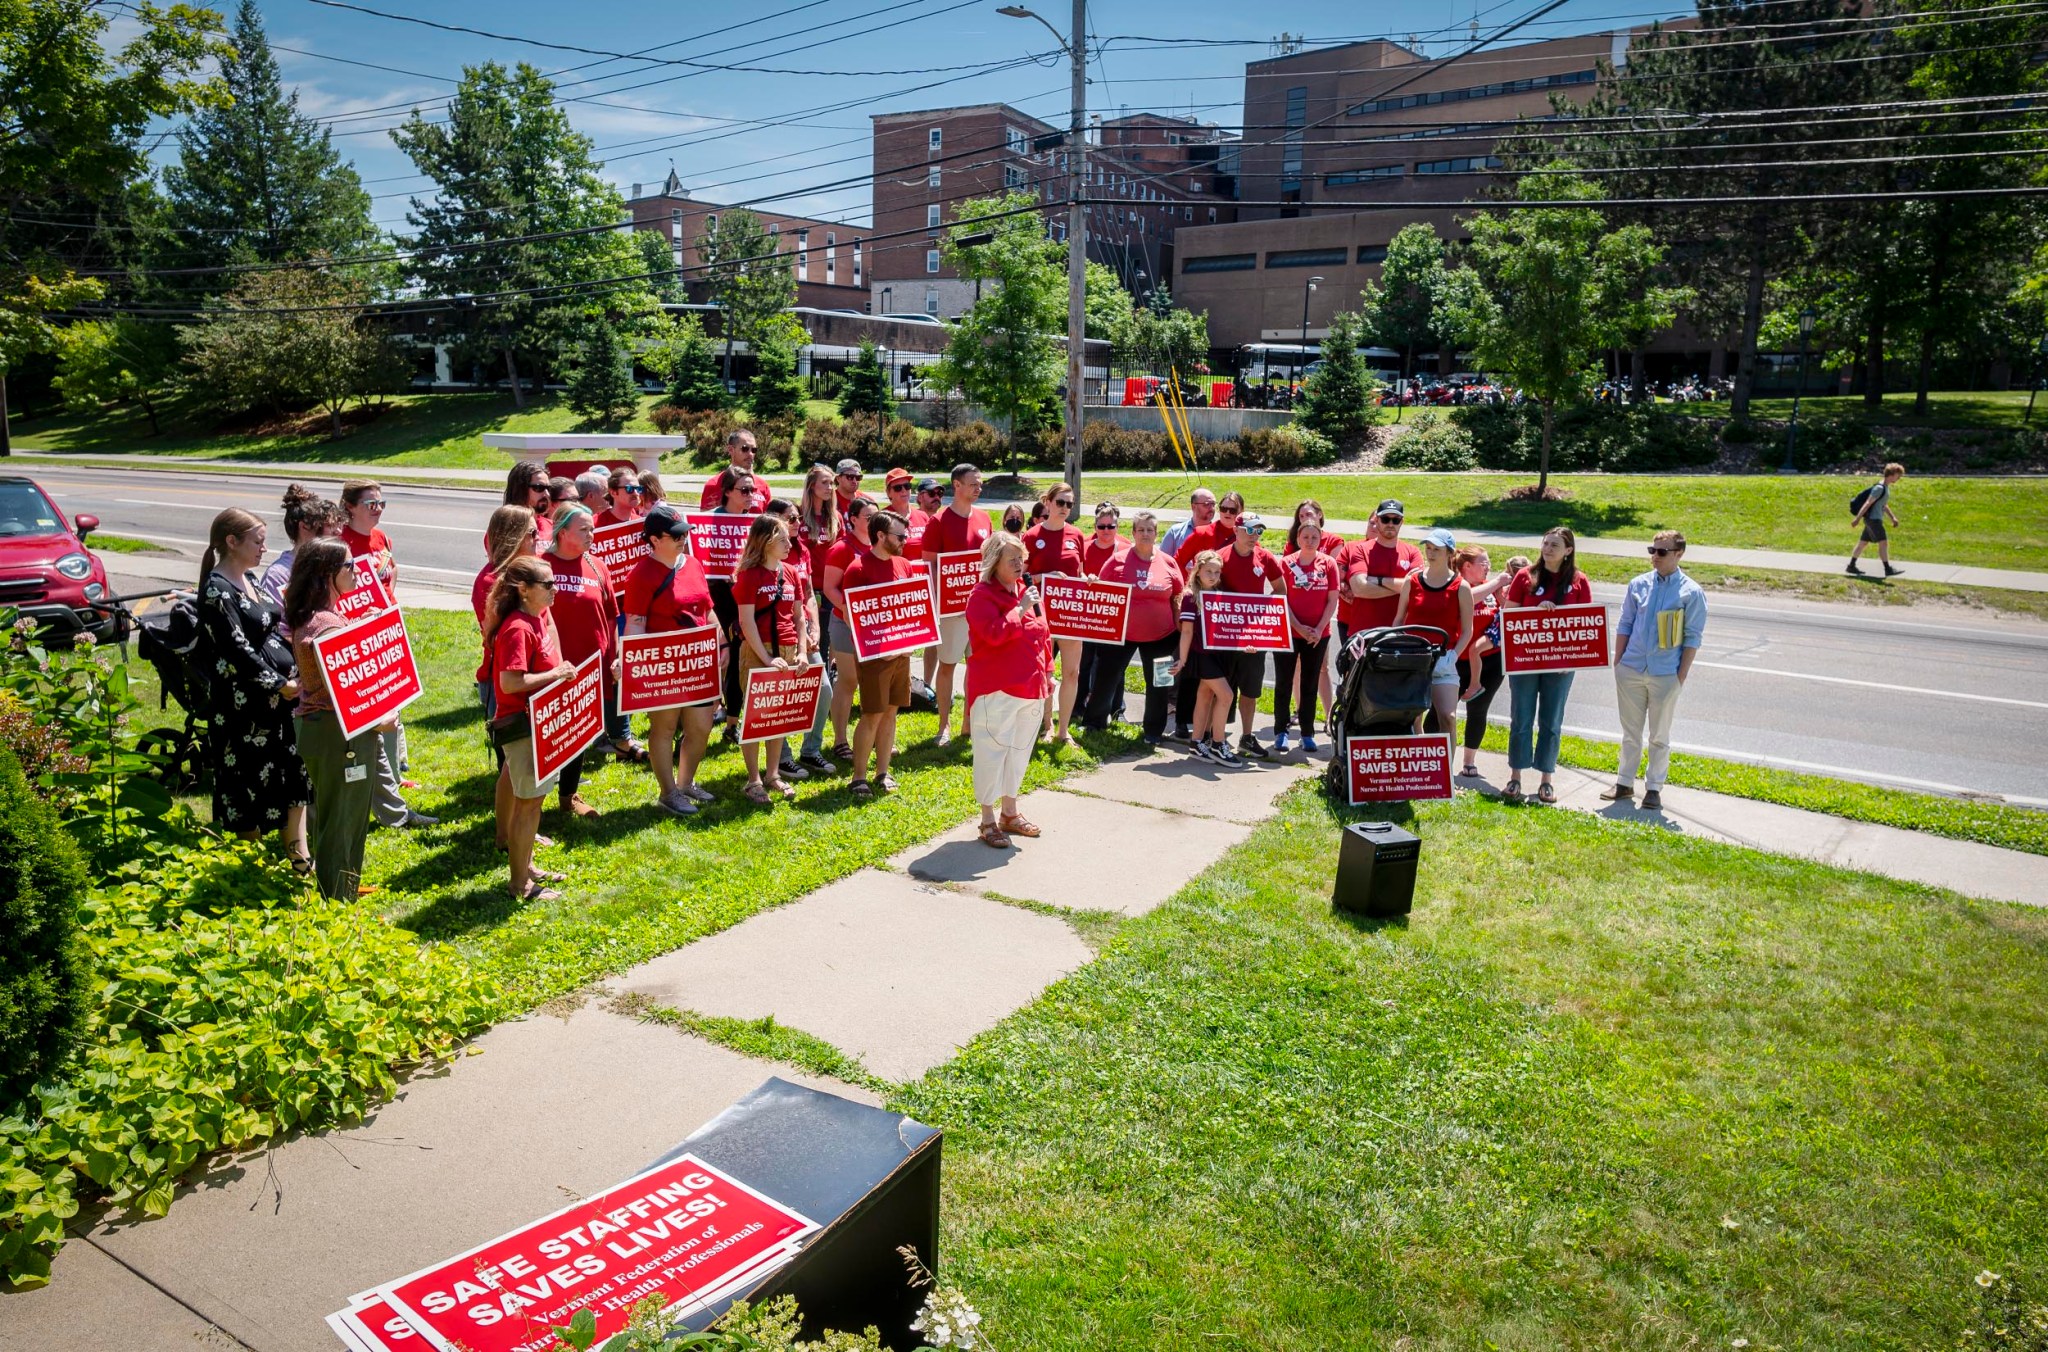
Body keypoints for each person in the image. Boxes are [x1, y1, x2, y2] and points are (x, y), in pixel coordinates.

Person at [197, 508, 312, 868]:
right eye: (257, 541)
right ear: (231, 542)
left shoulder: (251, 579)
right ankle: (249, 870)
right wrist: (279, 683)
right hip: (243, 709)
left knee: (293, 778)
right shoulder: (217, 591)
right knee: (248, 786)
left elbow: (271, 629)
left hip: (276, 705)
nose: (264, 548)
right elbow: (236, 650)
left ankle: (300, 862)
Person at [285, 540, 382, 899]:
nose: (357, 571)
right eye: (350, 566)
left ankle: (345, 883)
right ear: (328, 575)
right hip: (335, 731)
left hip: (327, 730)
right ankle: (337, 897)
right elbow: (341, 680)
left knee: (345, 814)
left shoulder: (321, 616)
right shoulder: (324, 624)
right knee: (341, 818)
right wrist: (377, 719)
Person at [339, 480, 434, 829]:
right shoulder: (340, 543)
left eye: (381, 502)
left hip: (387, 628)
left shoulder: (382, 538)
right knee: (376, 716)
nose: (377, 508)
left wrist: (387, 595)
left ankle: (393, 784)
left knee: (394, 708)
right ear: (349, 506)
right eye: (370, 503)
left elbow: (391, 573)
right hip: (359, 637)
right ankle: (376, 794)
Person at [485, 556, 575, 901]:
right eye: (547, 584)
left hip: (541, 724)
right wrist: (555, 674)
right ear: (524, 590)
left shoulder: (535, 619)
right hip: (525, 728)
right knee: (528, 804)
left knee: (533, 802)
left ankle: (527, 866)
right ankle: (519, 884)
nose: (555, 589)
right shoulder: (518, 628)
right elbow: (509, 682)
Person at [622, 504, 719, 817]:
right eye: (675, 535)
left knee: (701, 726)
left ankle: (686, 782)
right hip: (664, 665)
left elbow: (707, 608)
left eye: (684, 533)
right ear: (654, 539)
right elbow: (635, 622)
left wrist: (722, 642)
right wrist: (630, 661)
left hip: (699, 663)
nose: (682, 540)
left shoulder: (692, 563)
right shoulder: (641, 575)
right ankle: (668, 792)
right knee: (663, 728)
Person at [1604, 529, 1708, 812]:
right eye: (1652, 551)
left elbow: (1692, 637)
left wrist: (1680, 676)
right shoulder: (1638, 584)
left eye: (1662, 552)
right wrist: (1619, 661)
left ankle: (1653, 788)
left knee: (1659, 735)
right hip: (1631, 668)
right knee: (1630, 732)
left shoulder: (1691, 592)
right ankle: (1624, 783)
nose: (1655, 557)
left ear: (1679, 554)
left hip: (1665, 674)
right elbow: (1625, 623)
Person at [966, 532, 1052, 848]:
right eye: (1011, 559)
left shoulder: (1025, 591)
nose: (1019, 564)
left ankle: (1010, 814)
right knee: (992, 753)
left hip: (1031, 686)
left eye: (1021, 558)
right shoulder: (981, 597)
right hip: (996, 690)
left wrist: (1049, 671)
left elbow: (1044, 633)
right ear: (994, 563)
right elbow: (993, 635)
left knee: (1017, 753)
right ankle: (988, 818)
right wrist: (1019, 608)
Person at [1502, 527, 1592, 805]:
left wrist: (1573, 659)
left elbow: (1585, 622)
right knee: (1521, 718)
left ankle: (1546, 780)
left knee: (1551, 721)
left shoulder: (1578, 581)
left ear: (1568, 551)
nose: (1548, 548)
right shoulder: (1525, 576)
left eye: (1555, 545)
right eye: (1545, 543)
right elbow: (1508, 614)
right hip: (1526, 660)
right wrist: (1535, 611)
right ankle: (1515, 776)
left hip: (1561, 665)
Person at [541, 504, 619, 820]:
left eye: (592, 528)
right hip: (552, 669)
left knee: (580, 734)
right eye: (584, 529)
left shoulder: (598, 567)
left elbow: (612, 617)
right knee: (548, 736)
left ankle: (568, 795)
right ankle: (527, 800)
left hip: (592, 668)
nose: (592, 534)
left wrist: (614, 657)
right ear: (562, 533)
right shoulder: (542, 567)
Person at [732, 514, 809, 804]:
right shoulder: (749, 574)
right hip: (757, 649)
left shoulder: (790, 572)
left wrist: (801, 651)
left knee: (779, 717)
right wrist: (765, 658)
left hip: (788, 648)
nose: (789, 543)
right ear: (765, 542)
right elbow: (746, 621)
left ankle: (773, 773)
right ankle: (753, 780)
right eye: (782, 539)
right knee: (756, 716)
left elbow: (799, 617)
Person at [1086, 511, 1183, 740]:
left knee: (1160, 682)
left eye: (1150, 530)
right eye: (1141, 530)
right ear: (1133, 533)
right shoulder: (1117, 560)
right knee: (1106, 677)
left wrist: (1183, 627)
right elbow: (1102, 590)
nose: (1146, 534)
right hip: (1122, 634)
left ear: (1156, 533)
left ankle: (1153, 731)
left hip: (1162, 636)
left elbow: (1179, 595)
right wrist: (1092, 582)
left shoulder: (1168, 562)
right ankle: (1094, 723)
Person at [843, 510, 919, 796]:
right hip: (875, 655)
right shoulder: (858, 569)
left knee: (891, 713)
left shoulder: (904, 565)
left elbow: (913, 608)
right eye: (899, 536)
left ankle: (882, 772)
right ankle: (858, 777)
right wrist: (879, 649)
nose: (905, 540)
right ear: (880, 536)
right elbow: (851, 615)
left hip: (902, 652)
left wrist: (909, 641)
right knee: (872, 714)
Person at [472, 505, 542, 780]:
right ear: (514, 537)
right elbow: (502, 634)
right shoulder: (492, 580)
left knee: (529, 760)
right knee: (513, 764)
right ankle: (514, 821)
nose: (539, 538)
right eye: (532, 533)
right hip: (507, 680)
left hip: (535, 674)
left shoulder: (530, 573)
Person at [924, 463, 992, 747]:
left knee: (976, 666)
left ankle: (968, 722)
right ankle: (944, 725)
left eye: (980, 483)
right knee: (948, 665)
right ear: (957, 486)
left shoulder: (985, 519)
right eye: (973, 483)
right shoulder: (939, 521)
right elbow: (929, 564)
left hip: (980, 609)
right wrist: (945, 596)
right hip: (950, 610)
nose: (978, 488)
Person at [1393, 527, 1475, 757]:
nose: (1430, 553)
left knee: (1448, 716)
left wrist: (1453, 656)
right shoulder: (1413, 580)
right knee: (1414, 716)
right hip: (1414, 657)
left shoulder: (1461, 586)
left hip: (1443, 658)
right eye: (1428, 548)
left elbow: (1468, 630)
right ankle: (1419, 768)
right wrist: (1397, 645)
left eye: (1436, 549)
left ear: (1449, 553)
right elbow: (1399, 619)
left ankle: (1445, 775)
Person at [764, 498, 827, 778]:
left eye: (799, 517)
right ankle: (783, 757)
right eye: (791, 518)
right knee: (780, 699)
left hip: (805, 635)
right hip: (778, 639)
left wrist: (814, 631)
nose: (798, 523)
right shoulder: (766, 558)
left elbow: (810, 593)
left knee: (824, 690)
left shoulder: (801, 551)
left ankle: (811, 751)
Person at [1433, 545, 1506, 779]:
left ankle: (1469, 761)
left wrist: (1502, 594)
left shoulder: (1492, 589)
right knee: (1440, 712)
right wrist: (1496, 583)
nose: (1489, 568)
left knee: (1478, 711)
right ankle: (1433, 757)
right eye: (1484, 563)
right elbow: (1468, 598)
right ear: (1467, 566)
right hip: (1456, 661)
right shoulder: (1456, 586)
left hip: (1490, 662)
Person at [1020, 482, 1085, 742]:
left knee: (1072, 673)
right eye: (1060, 502)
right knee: (1043, 672)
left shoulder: (1077, 535)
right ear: (1047, 502)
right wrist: (1042, 577)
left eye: (1070, 504)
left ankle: (1063, 731)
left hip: (1070, 615)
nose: (1065, 508)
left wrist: (1087, 579)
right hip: (1040, 614)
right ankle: (1045, 724)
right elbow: (1018, 576)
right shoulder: (1032, 536)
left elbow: (1079, 572)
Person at [1218, 511, 1284, 759]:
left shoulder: (1265, 557)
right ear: (1236, 530)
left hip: (1254, 637)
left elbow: (1280, 590)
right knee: (1221, 688)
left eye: (1259, 531)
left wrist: (1263, 615)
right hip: (1225, 635)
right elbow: (1208, 590)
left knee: (1250, 689)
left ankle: (1246, 737)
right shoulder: (1221, 557)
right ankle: (1216, 736)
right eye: (1249, 530)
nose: (1254, 536)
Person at [1272, 519, 1339, 755]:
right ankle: (1280, 731)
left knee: (1310, 685)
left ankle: (1307, 733)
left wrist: (1319, 629)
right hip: (1288, 633)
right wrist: (1298, 627)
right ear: (1297, 538)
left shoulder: (1328, 564)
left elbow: (1332, 599)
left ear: (1320, 539)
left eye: (1315, 537)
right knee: (1284, 683)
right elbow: (1281, 598)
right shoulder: (1286, 564)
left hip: (1318, 635)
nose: (1310, 541)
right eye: (1305, 537)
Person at [821, 496, 878, 761]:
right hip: (845, 623)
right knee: (848, 680)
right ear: (853, 519)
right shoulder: (842, 549)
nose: (873, 521)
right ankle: (840, 740)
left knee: (874, 679)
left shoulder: (881, 546)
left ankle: (874, 734)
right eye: (868, 517)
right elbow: (829, 588)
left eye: (876, 517)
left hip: (876, 626)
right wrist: (851, 611)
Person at [1174, 550, 1241, 765]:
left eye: (1217, 572)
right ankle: (1218, 743)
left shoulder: (1219, 593)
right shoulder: (1189, 596)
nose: (1213, 576)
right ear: (1198, 571)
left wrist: (1248, 643)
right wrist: (1182, 660)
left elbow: (1230, 627)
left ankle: (1196, 742)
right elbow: (1186, 632)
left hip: (1218, 653)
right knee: (1227, 696)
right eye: (1208, 571)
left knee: (1205, 695)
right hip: (1200, 656)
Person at [706, 467, 760, 732]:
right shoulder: (709, 522)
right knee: (729, 656)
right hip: (720, 600)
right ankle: (717, 711)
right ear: (727, 492)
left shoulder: (753, 522)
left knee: (742, 657)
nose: (751, 495)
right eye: (744, 490)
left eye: (753, 490)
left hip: (747, 598)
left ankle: (733, 720)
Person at [1336, 499, 1421, 645]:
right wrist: (1402, 588)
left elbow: (1416, 589)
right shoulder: (1360, 550)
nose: (1390, 524)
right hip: (1364, 634)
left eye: (1395, 520)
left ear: (1402, 522)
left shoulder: (1413, 552)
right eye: (1385, 519)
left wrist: (1378, 580)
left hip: (1400, 634)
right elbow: (1360, 589)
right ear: (1377, 520)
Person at [261, 484, 343, 607]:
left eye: (338, 525)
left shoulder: (335, 566)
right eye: (330, 525)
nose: (338, 531)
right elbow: (277, 624)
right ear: (304, 527)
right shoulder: (278, 575)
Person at [1848, 462, 1905, 577]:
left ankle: (1851, 566)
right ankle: (1888, 569)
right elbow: (1867, 503)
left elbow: (1883, 505)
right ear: (1892, 474)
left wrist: (1892, 517)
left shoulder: (1884, 487)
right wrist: (1857, 519)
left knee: (1863, 543)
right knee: (1883, 543)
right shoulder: (1879, 488)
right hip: (1873, 520)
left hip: (1873, 519)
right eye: (1898, 475)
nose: (1899, 478)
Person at [699, 429, 773, 511]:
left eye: (754, 450)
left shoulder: (763, 486)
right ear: (731, 450)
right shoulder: (713, 485)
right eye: (745, 449)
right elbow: (705, 520)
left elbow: (769, 521)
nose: (750, 454)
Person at [1172, 489, 1242, 570]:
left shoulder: (1247, 536)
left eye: (1233, 510)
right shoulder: (1201, 533)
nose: (1227, 513)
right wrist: (1191, 579)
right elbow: (1177, 562)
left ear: (1241, 512)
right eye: (1223, 509)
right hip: (1202, 582)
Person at [504, 461, 555, 550]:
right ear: (520, 490)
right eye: (539, 488)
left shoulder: (553, 527)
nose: (547, 494)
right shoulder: (503, 529)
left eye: (548, 488)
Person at [1161, 487, 1215, 556]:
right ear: (1193, 507)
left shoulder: (1219, 534)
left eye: (1213, 504)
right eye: (1206, 504)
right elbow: (1163, 561)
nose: (1211, 508)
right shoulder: (1175, 532)